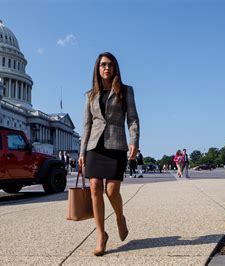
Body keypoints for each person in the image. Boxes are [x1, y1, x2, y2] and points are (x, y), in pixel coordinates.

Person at [78, 52, 140, 256]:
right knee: (95, 186)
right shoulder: (90, 95)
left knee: (111, 191)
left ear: (115, 68)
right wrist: (81, 152)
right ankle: (100, 235)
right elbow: (86, 125)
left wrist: (134, 141)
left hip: (116, 144)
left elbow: (132, 118)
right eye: (103, 65)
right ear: (97, 68)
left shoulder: (125, 91)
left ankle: (120, 217)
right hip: (94, 146)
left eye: (110, 65)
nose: (106, 68)